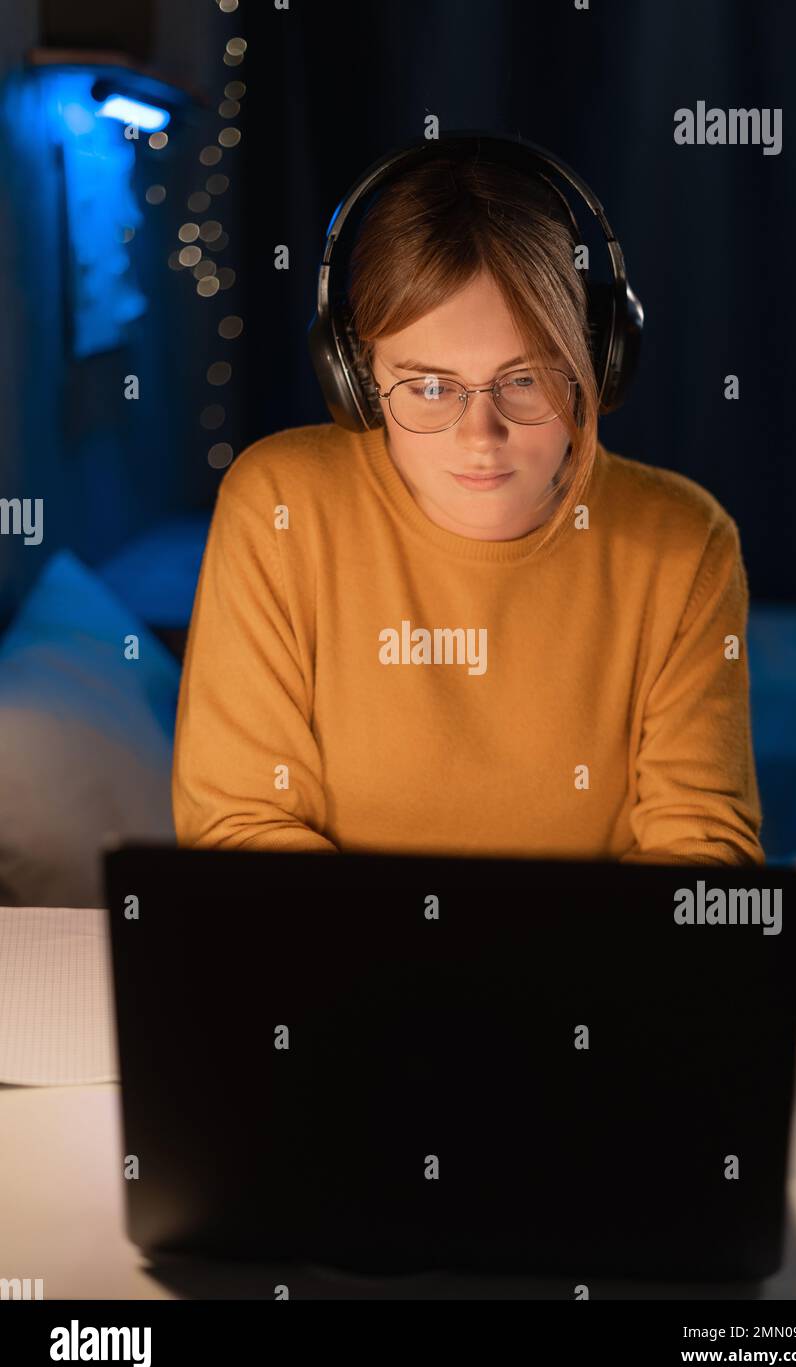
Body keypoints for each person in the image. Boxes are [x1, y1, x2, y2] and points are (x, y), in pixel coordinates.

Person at [172, 151, 764, 865]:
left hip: (591, 976)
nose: (480, 438)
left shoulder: (686, 542)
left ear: (597, 363)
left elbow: (701, 856)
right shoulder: (277, 509)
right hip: (343, 968)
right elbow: (241, 827)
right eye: (428, 388)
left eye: (524, 379)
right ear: (356, 380)